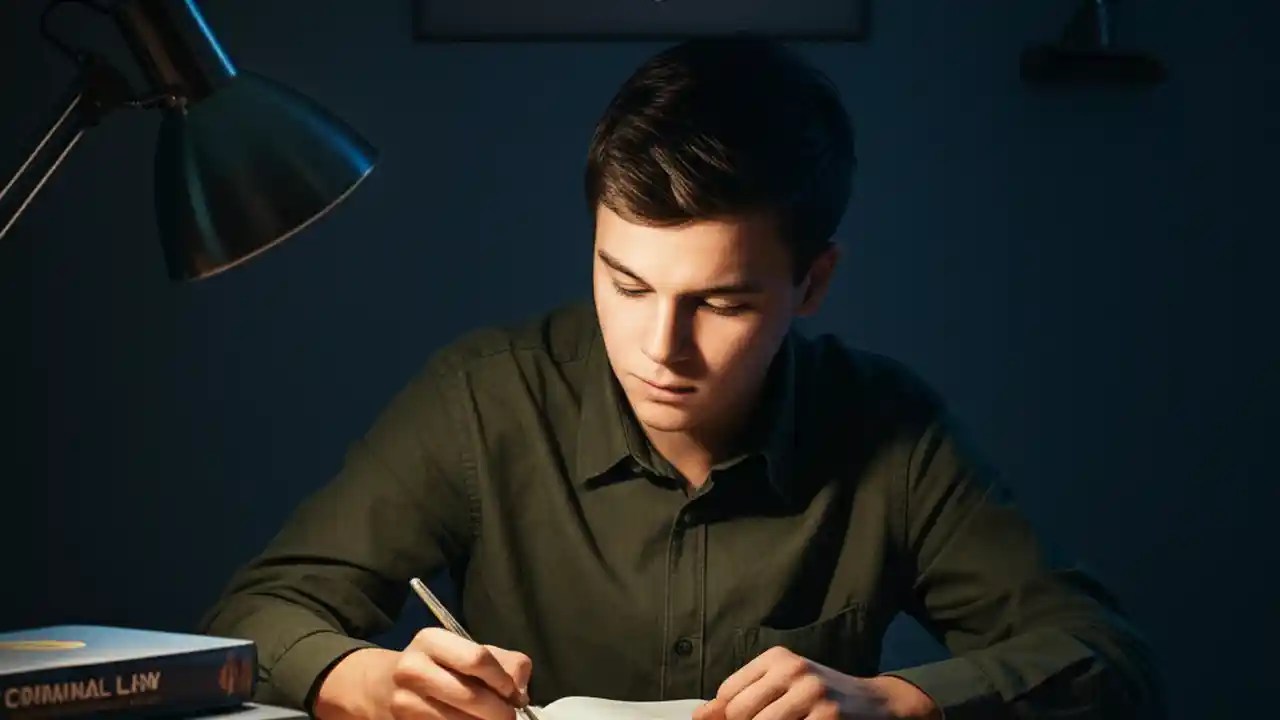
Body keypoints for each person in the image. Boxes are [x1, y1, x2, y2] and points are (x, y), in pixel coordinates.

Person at [199, 35, 1165, 720]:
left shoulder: (888, 429)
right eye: (625, 283)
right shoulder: (485, 397)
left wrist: (901, 701)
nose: (660, 345)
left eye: (723, 304)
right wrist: (365, 683)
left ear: (812, 282)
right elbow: (253, 616)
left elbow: (1108, 660)